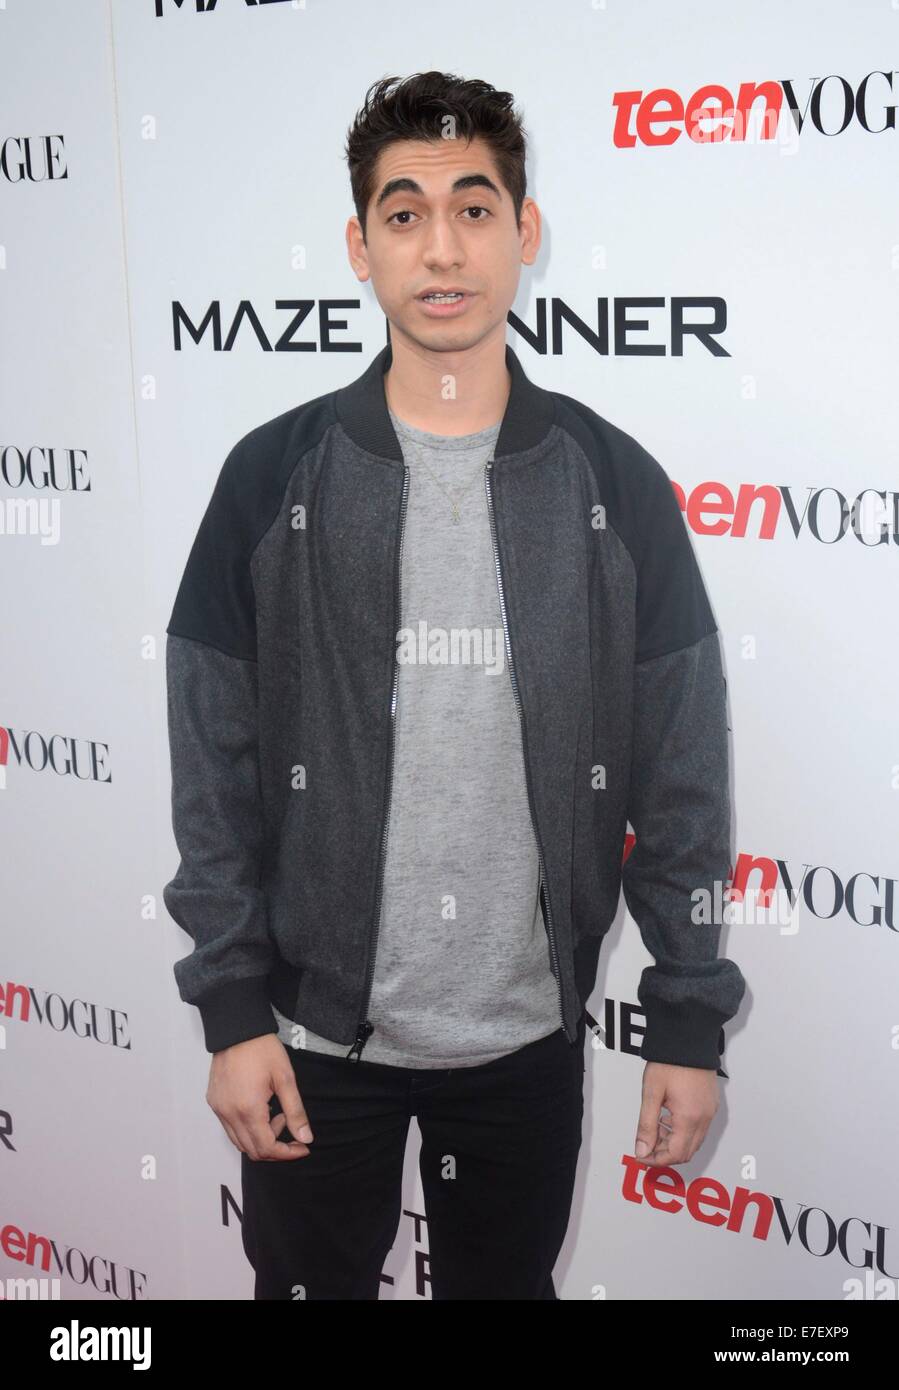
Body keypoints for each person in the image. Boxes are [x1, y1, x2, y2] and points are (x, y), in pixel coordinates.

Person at [163, 71, 746, 1301]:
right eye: (404, 211)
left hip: (523, 1046)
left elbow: (680, 770)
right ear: (359, 247)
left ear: (523, 235)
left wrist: (685, 1018)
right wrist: (231, 1009)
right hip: (313, 1041)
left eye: (473, 209)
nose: (441, 246)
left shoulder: (614, 486)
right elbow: (209, 763)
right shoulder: (270, 480)